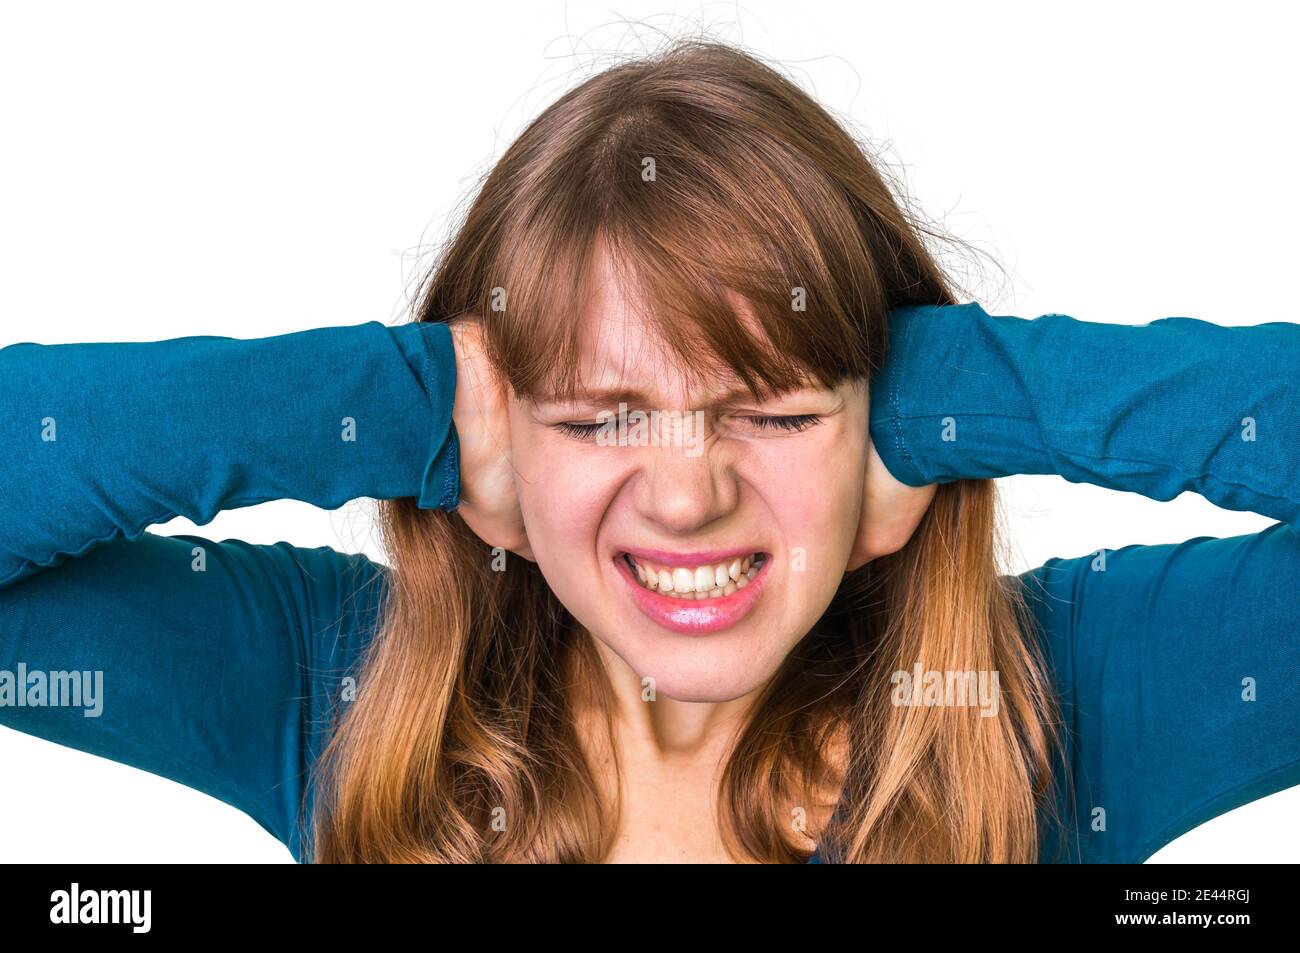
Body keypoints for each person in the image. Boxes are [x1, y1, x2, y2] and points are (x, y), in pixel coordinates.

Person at [2, 40, 1297, 863]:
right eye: (599, 412)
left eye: (776, 410)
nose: (687, 491)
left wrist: (956, 392)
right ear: (496, 448)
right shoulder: (344, 693)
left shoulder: (1050, 709)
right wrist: (402, 400)